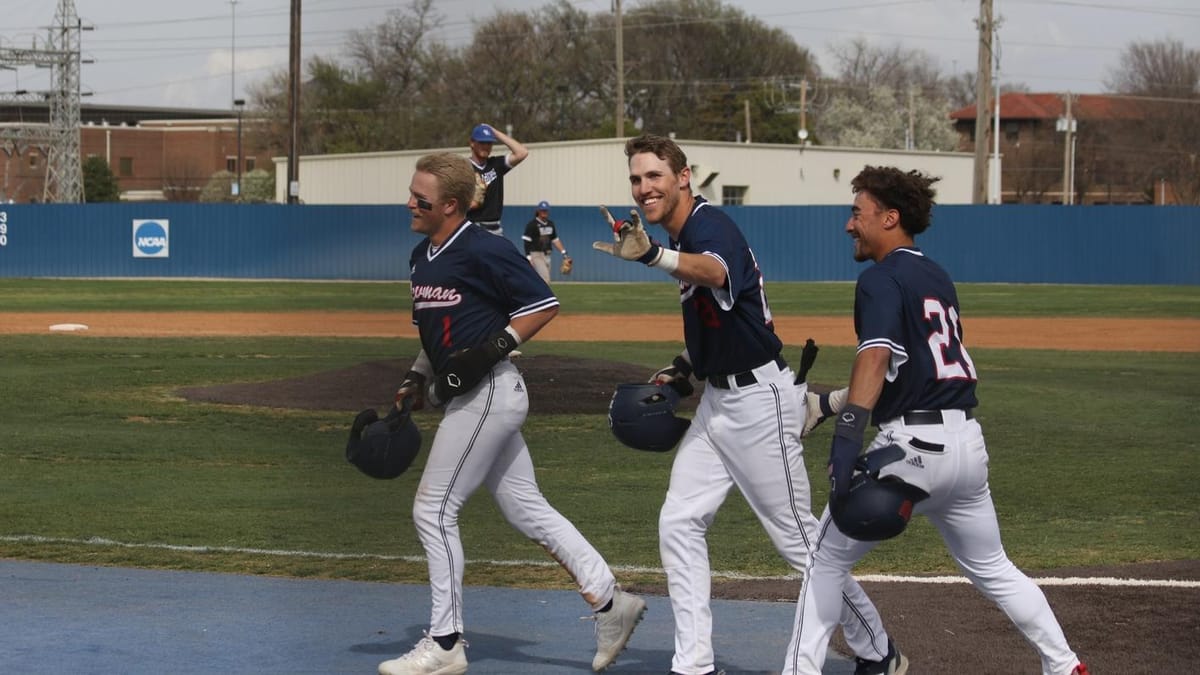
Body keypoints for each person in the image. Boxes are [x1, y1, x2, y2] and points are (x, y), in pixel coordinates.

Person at [591, 134, 897, 675]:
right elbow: (719, 322)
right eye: (636, 180)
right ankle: (694, 665)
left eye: (654, 177)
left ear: (683, 177)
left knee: (801, 542)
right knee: (679, 522)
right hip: (720, 404)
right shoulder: (686, 233)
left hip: (758, 403)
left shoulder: (710, 227)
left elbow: (714, 272)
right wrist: (684, 369)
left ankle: (878, 649)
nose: (643, 189)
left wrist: (655, 256)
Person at [786, 165, 1088, 675]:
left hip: (911, 450)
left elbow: (877, 359)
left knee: (824, 559)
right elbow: (917, 368)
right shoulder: (935, 274)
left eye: (857, 213)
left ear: (890, 217)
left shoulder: (879, 277)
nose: (848, 224)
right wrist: (835, 402)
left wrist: (846, 437)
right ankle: (1065, 666)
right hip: (966, 445)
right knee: (995, 570)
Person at [379, 152, 645, 675]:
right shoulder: (421, 256)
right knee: (526, 508)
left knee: (433, 510)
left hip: (491, 392)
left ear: (451, 205)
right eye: (412, 193)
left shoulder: (484, 247)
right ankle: (612, 603)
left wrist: (489, 349)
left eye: (421, 197)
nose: (410, 202)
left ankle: (447, 643)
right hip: (471, 397)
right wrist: (416, 377)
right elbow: (433, 336)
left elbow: (542, 304)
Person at [466, 123, 528, 236]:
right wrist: (471, 204)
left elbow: (522, 153)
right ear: (472, 143)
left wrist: (494, 132)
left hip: (496, 228)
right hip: (473, 227)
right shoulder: (463, 168)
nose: (486, 146)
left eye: (489, 143)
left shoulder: (496, 164)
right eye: (482, 142)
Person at [522, 200, 570, 283]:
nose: (544, 212)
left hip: (548, 255)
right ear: (538, 211)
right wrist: (529, 258)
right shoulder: (532, 224)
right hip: (536, 254)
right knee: (545, 279)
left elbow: (555, 240)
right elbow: (527, 241)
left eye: (546, 210)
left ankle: (536, 295)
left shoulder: (550, 224)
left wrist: (564, 253)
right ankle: (544, 295)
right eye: (542, 210)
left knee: (542, 280)